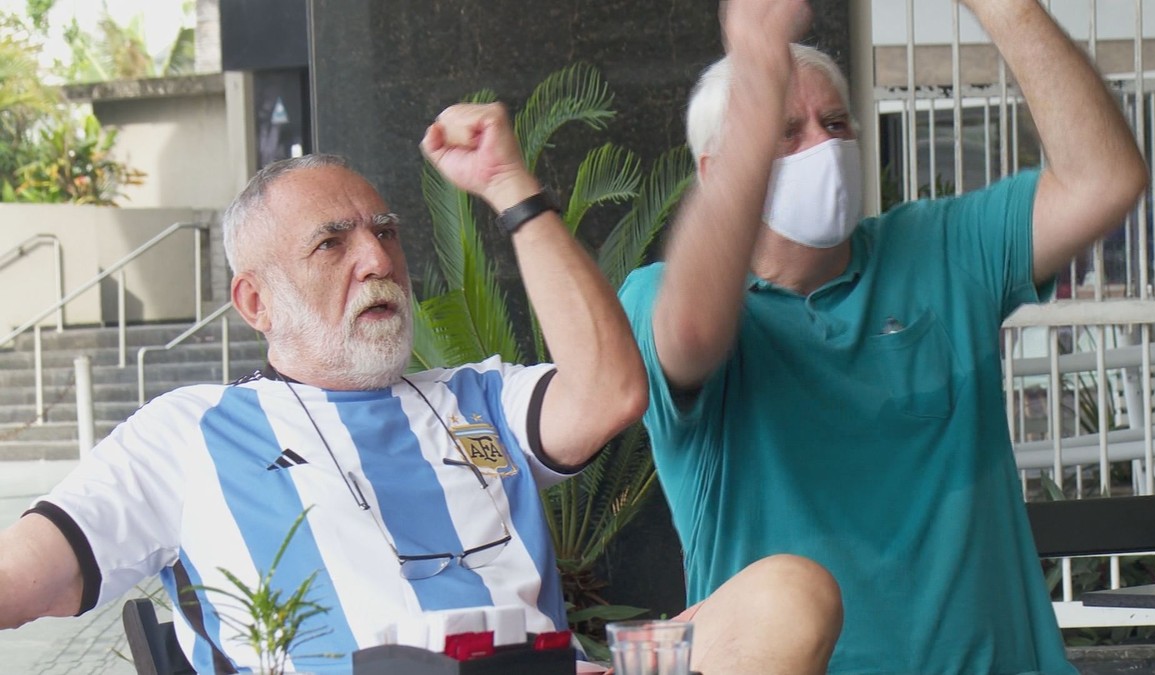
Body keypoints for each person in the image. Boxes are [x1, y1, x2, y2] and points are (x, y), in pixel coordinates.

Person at [0, 103, 841, 674]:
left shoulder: (478, 398)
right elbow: (21, 575)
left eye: (387, 232)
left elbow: (612, 393)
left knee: (790, 594)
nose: (378, 258)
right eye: (332, 244)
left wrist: (510, 188)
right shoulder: (188, 432)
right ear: (256, 302)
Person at [618, 0, 1148, 672]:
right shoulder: (662, 295)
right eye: (786, 131)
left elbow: (1104, 179)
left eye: (835, 122)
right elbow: (691, 330)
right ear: (713, 169)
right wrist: (755, 66)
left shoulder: (941, 248)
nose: (823, 146)